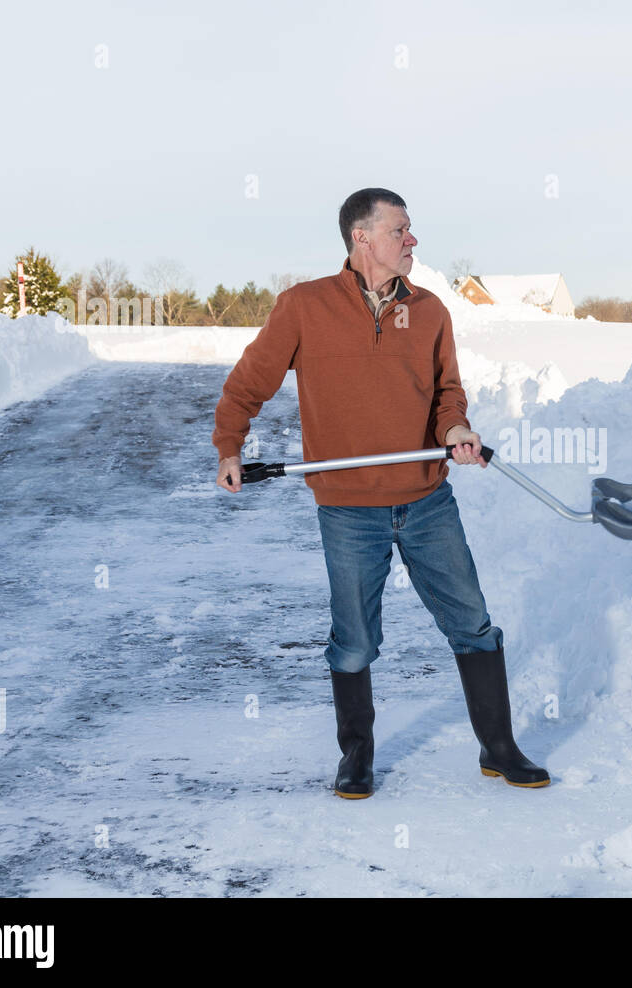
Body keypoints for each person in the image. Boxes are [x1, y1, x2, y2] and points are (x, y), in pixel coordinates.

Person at [212, 188, 549, 798]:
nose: (412, 239)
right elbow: (249, 382)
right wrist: (230, 446)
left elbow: (448, 393)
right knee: (356, 637)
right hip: (347, 507)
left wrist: (456, 431)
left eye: (410, 229)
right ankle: (356, 756)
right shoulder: (305, 306)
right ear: (361, 238)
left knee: (472, 623)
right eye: (400, 230)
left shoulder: (429, 311)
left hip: (425, 499)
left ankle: (499, 749)